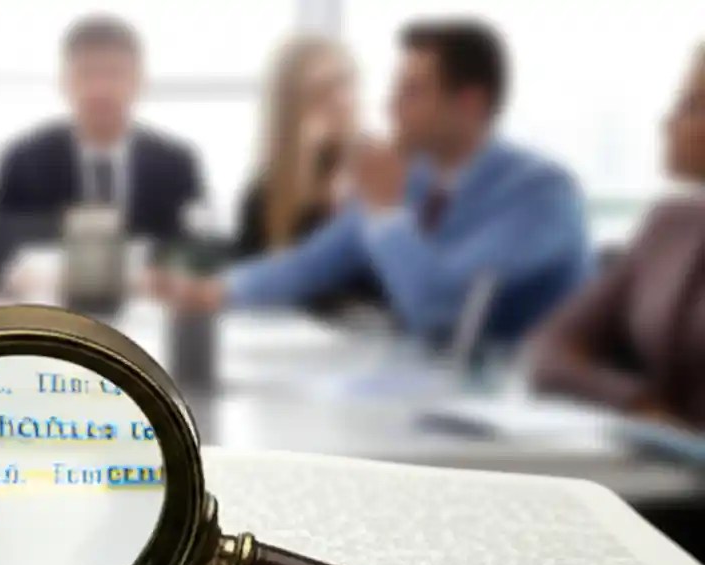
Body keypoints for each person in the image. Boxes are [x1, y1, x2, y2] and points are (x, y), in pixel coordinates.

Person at [183, 20, 592, 344]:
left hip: (526, 410)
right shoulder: (414, 179)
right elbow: (314, 261)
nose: (390, 106)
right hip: (431, 389)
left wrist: (387, 213)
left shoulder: (541, 195)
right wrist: (216, 290)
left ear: (470, 103)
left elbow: (438, 307)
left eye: (412, 92)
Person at [532, 45, 705, 429]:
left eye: (694, 106)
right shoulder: (670, 224)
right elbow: (551, 348)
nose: (669, 122)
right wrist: (638, 403)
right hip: (665, 467)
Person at [0, 14, 205, 292]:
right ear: (64, 82)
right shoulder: (22, 161)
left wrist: (170, 274)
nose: (100, 89)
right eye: (86, 74)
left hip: (149, 315)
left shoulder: (176, 163)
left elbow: (198, 258)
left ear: (140, 81)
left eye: (114, 74)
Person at [235, 35, 380, 312]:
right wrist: (303, 178)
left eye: (346, 84)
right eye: (321, 92)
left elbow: (381, 283)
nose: (341, 101)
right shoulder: (262, 194)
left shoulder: (384, 172)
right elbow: (260, 284)